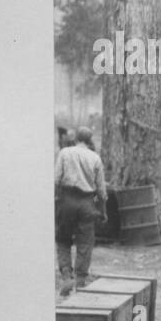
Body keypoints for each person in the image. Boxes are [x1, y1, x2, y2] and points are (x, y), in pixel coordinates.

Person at [54, 126, 107, 295]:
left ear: (76, 138)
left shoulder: (64, 153)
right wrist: (103, 211)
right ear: (90, 140)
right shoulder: (95, 158)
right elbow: (101, 191)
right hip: (87, 203)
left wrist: (57, 201)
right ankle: (81, 281)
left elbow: (56, 180)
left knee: (63, 239)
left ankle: (67, 276)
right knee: (85, 242)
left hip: (66, 201)